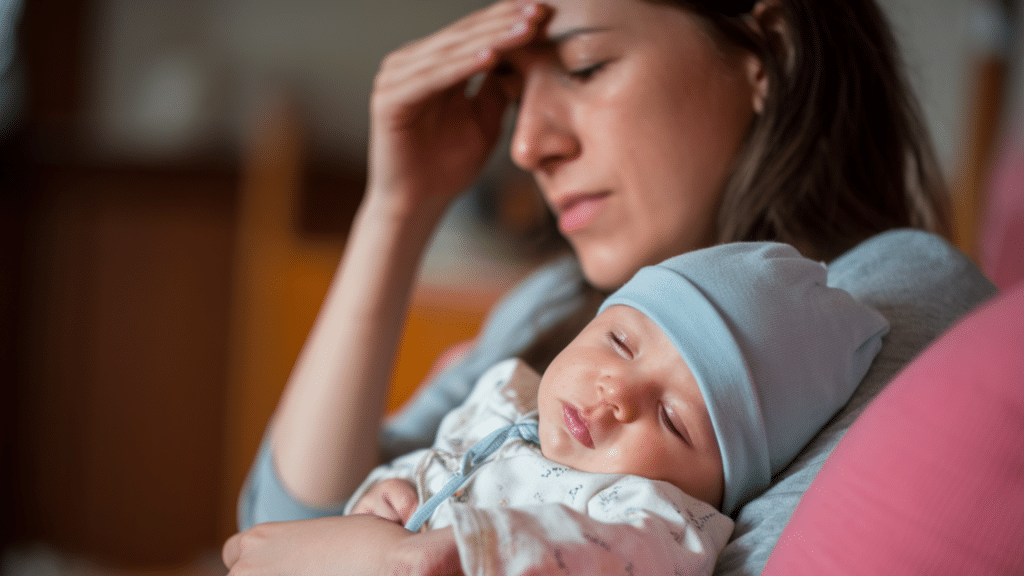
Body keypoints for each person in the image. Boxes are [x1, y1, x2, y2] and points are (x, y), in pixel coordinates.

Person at [224, 0, 975, 574]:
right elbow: (283, 524)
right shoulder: (552, 306)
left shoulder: (889, 299)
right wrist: (397, 210)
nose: (525, 144)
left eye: (584, 67)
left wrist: (396, 560)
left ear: (768, 55)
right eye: (516, 88)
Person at [336, 242, 887, 575]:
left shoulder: (656, 526)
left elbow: (594, 561)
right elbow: (423, 474)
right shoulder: (501, 402)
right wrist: (386, 496)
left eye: (672, 420)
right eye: (620, 343)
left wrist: (449, 551)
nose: (617, 392)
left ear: (719, 489)